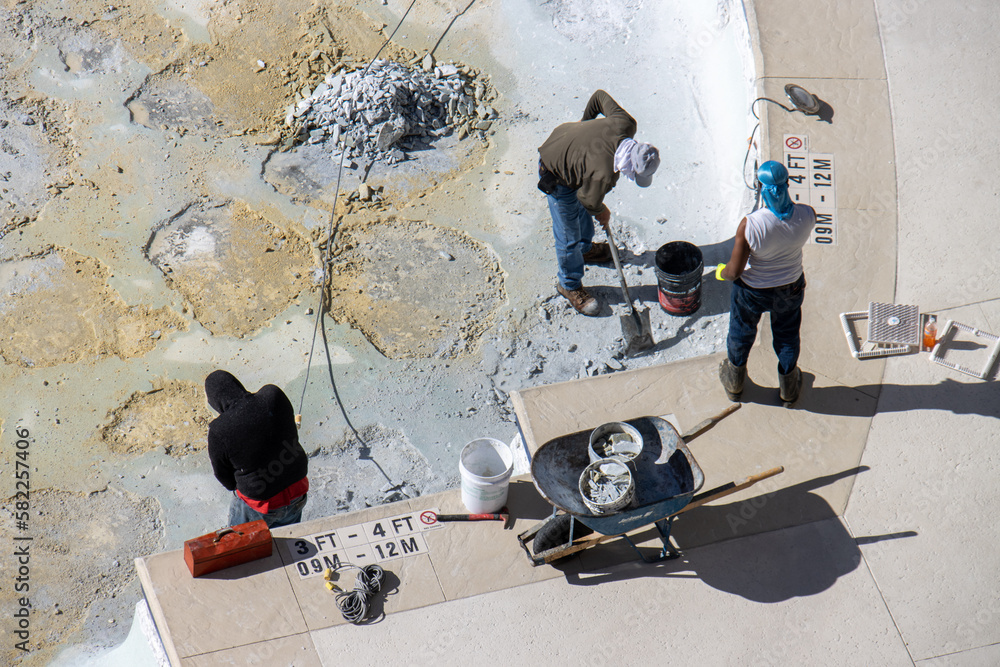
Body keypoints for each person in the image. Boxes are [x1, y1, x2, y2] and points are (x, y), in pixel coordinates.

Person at [538, 89, 660, 315]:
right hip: (555, 168)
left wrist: (583, 128)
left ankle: (584, 251)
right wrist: (602, 210)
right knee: (567, 236)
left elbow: (599, 96)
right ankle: (568, 284)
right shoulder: (604, 172)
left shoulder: (625, 123)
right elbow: (588, 199)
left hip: (570, 148)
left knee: (583, 212)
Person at [718, 161, 816, 407]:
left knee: (742, 332)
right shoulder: (808, 214)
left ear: (760, 187)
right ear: (787, 184)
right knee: (786, 335)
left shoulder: (751, 224)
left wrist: (722, 273)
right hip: (790, 287)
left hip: (753, 291)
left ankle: (735, 383)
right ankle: (789, 388)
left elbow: (734, 271)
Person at [205, 370, 309, 528]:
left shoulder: (220, 430)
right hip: (297, 489)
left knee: (244, 547)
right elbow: (290, 432)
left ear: (215, 401)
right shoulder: (273, 395)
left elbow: (224, 476)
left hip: (261, 504)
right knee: (287, 542)